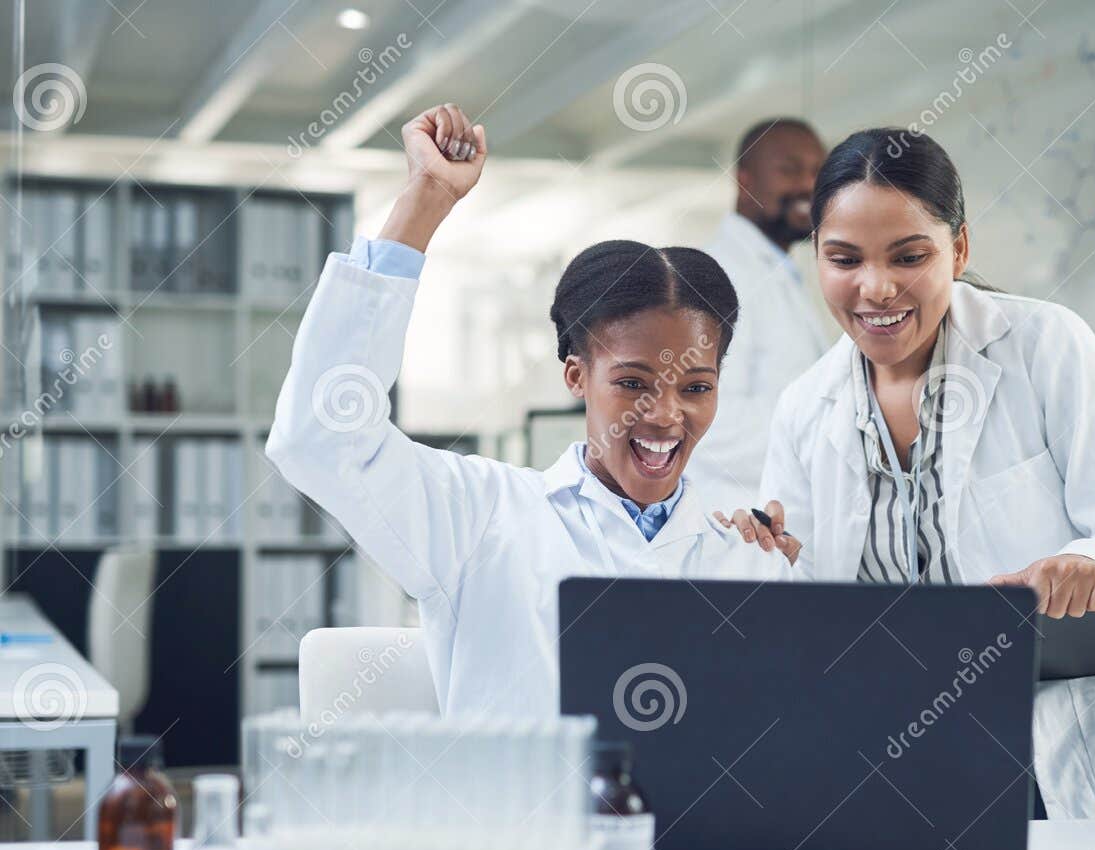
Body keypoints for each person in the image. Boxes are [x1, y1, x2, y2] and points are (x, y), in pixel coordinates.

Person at [722, 128, 1095, 819]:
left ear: (960, 249)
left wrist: (1093, 560)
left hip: (1056, 760)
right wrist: (758, 560)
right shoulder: (805, 408)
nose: (876, 287)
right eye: (844, 258)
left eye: (909, 256)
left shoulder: (1043, 348)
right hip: (890, 763)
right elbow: (806, 609)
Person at [266, 102, 791, 718]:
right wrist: (426, 199)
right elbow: (322, 441)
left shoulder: (745, 558)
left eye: (696, 387)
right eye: (632, 382)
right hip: (514, 815)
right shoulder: (480, 517)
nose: (666, 414)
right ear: (577, 375)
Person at [693, 118, 833, 513]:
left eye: (817, 172)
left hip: (775, 520)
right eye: (790, 170)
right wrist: (829, 431)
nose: (809, 186)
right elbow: (710, 421)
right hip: (737, 522)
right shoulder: (722, 272)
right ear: (745, 180)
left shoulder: (779, 270)